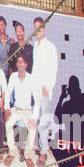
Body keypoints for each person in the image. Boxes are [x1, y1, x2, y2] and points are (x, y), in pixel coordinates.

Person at [5, 53, 39, 167]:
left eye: (22, 62)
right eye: (18, 62)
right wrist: (7, 108)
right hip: (16, 108)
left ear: (26, 64)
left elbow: (37, 100)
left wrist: (34, 117)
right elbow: (7, 93)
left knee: (33, 127)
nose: (20, 64)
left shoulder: (31, 78)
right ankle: (12, 152)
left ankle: (28, 155)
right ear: (16, 64)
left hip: (27, 110)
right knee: (8, 122)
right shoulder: (13, 76)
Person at [31, 16, 58, 156]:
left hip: (44, 89)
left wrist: (47, 86)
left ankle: (43, 150)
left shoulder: (50, 47)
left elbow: (53, 68)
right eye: (35, 27)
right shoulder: (35, 45)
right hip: (35, 87)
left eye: (40, 27)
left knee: (44, 120)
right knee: (35, 117)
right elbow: (36, 68)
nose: (38, 30)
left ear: (44, 28)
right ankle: (35, 145)